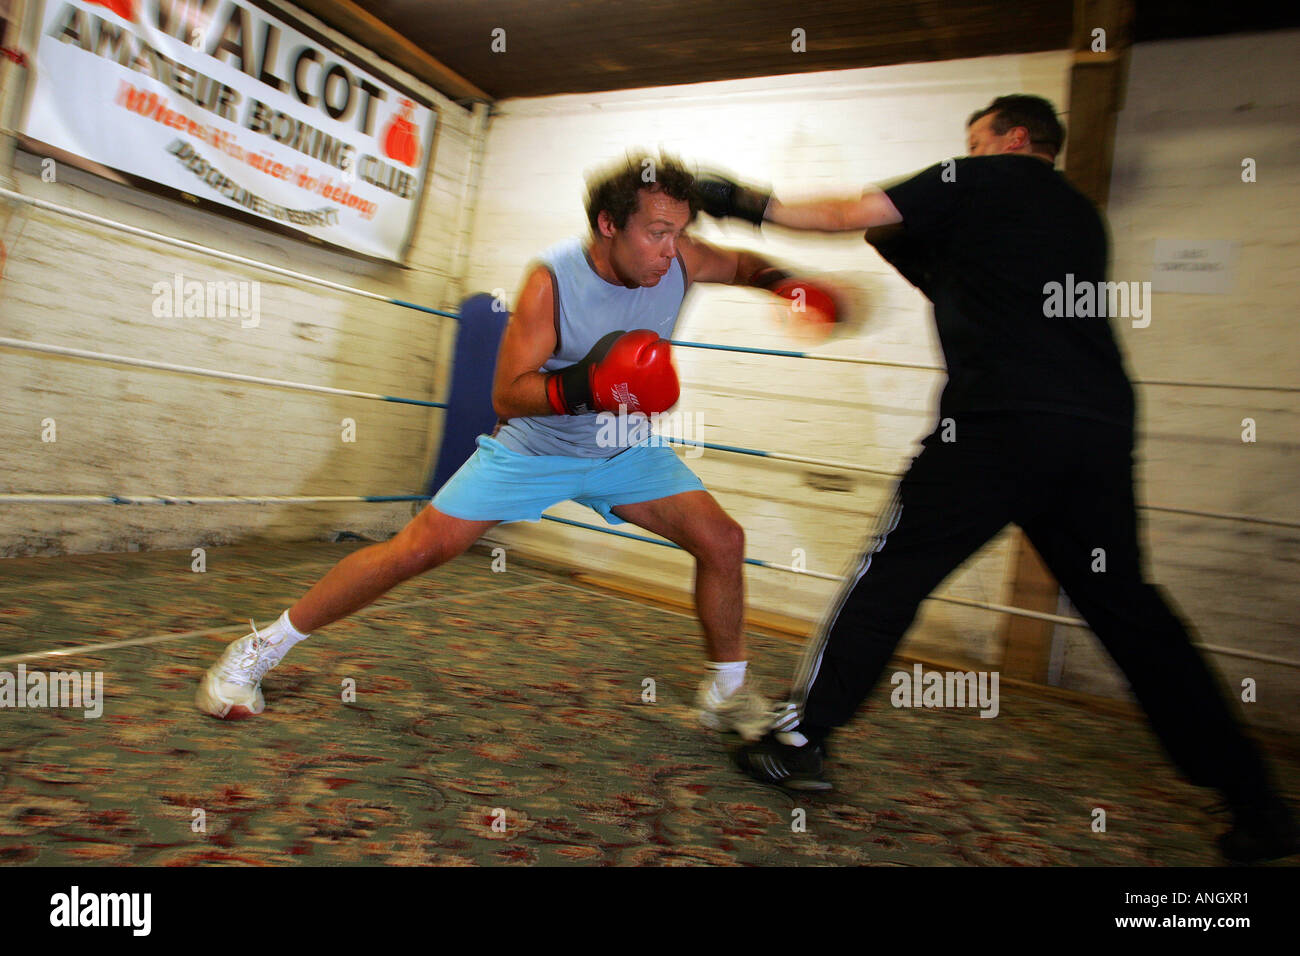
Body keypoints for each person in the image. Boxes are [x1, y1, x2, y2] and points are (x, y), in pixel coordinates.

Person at [696, 95, 1298, 864]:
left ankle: (800, 739)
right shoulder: (1081, 218)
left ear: (1012, 138)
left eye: (975, 138)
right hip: (1096, 431)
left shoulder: (975, 178)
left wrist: (740, 201)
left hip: (997, 425)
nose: (968, 149)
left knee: (892, 573)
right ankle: (1256, 801)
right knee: (1134, 616)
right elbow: (953, 278)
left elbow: (847, 213)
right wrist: (897, 235)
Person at [195, 152, 836, 742]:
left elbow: (744, 265)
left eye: (680, 231)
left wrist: (786, 285)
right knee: (416, 550)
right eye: (658, 232)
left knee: (722, 540)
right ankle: (258, 649)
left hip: (622, 448)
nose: (673, 249)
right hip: (536, 448)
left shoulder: (684, 258)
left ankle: (726, 694)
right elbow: (508, 393)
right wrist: (590, 384)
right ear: (608, 225)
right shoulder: (550, 280)